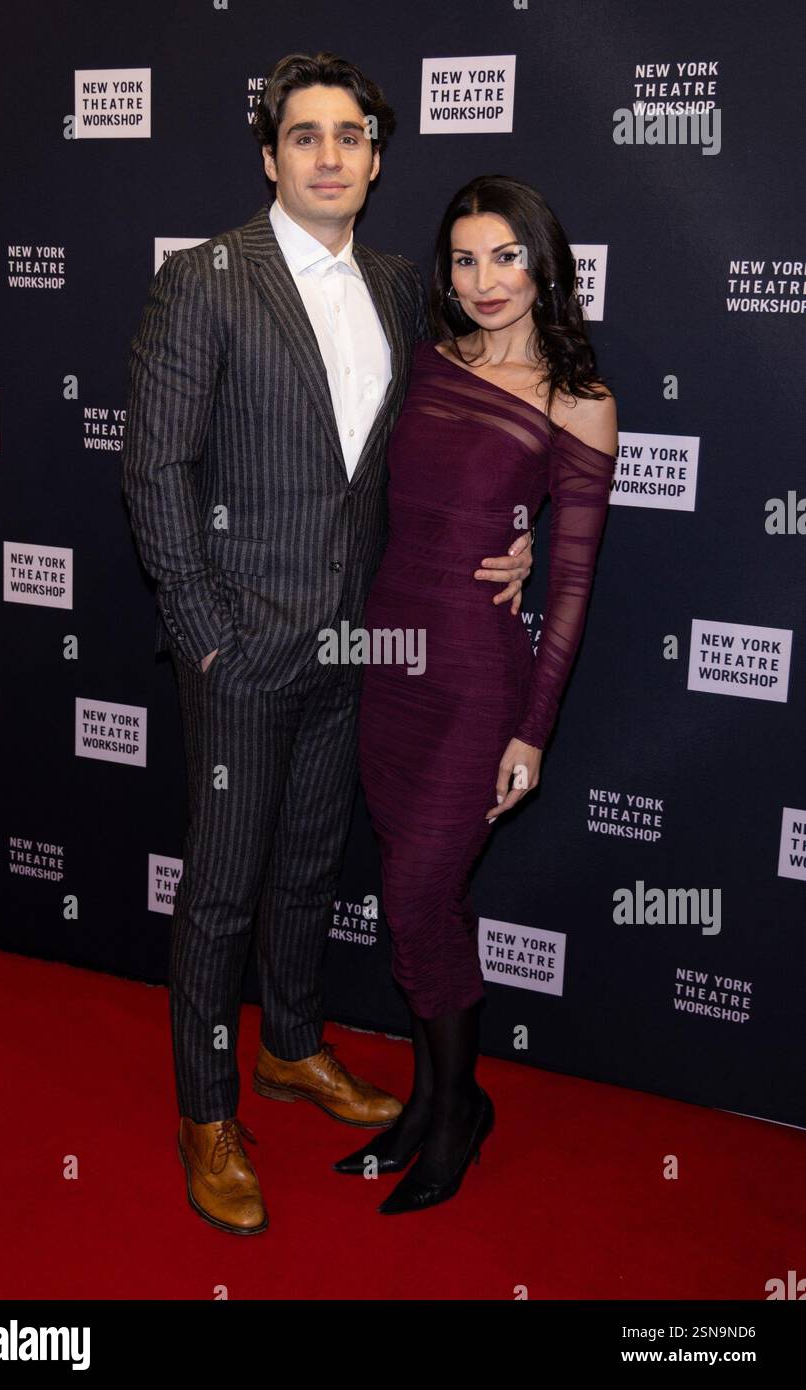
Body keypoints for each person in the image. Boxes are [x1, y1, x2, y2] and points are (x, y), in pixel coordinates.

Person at [121, 55, 532, 1236]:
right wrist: (206, 637)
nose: (329, 155)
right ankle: (208, 1110)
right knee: (221, 893)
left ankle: (292, 1048)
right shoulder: (208, 279)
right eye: (305, 136)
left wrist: (519, 539)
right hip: (244, 647)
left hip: (358, 642)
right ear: (270, 155)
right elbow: (154, 464)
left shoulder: (405, 286)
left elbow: (484, 417)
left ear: (376, 157)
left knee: (309, 868)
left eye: (351, 136)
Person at [334, 175, 618, 1214]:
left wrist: (532, 732)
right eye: (463, 258)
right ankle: (428, 1098)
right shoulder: (422, 362)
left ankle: (458, 1113)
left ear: (544, 264)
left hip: (473, 684)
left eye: (506, 256)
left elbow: (576, 587)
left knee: (414, 898)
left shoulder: (577, 398)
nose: (484, 279)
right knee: (425, 911)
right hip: (387, 660)